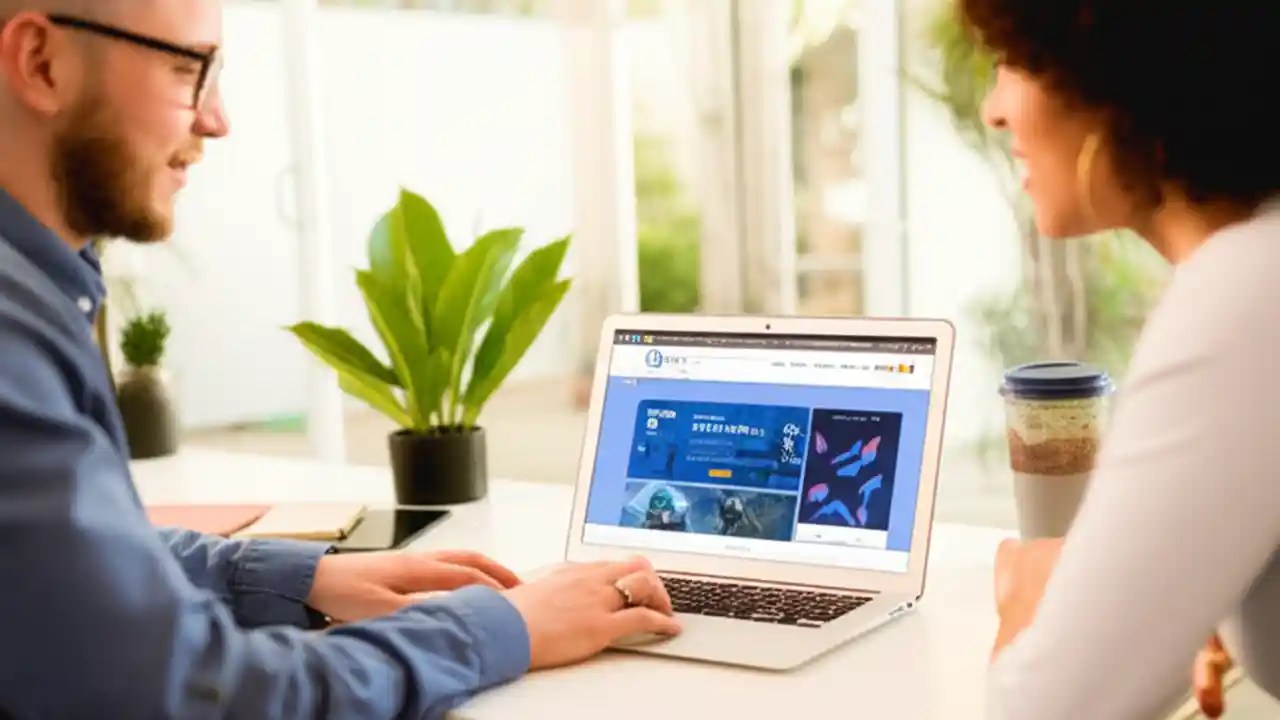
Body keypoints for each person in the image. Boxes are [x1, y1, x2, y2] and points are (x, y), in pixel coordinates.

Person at [0, 2, 681, 717]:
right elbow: (201, 694)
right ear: (42, 62)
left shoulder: (38, 293)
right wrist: (505, 627)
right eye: (188, 69)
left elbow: (75, 576)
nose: (216, 119)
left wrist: (298, 578)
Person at [963, 0, 1280, 717]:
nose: (994, 110)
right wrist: (1173, 603)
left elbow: (1046, 710)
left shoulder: (1249, 285)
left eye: (1016, 64)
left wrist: (1034, 597)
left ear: (1117, 80)